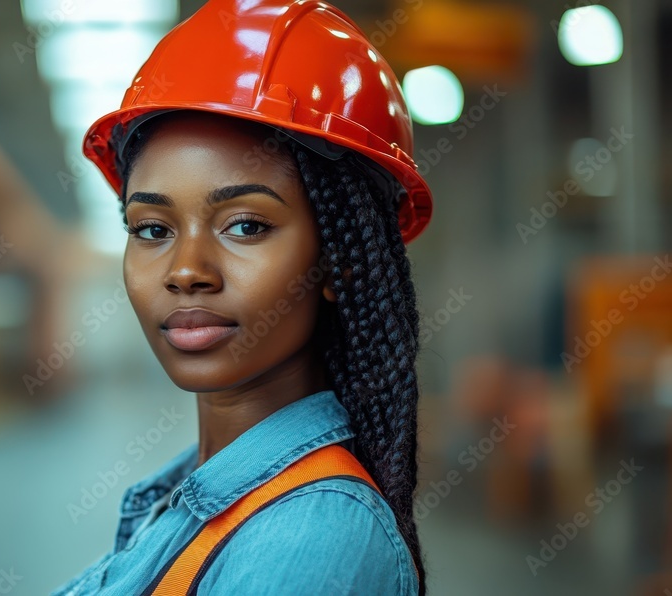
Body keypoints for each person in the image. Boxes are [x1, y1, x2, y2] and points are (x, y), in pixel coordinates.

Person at [52, 0, 433, 593]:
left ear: (340, 261)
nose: (186, 271)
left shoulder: (313, 538)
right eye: (152, 229)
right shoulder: (197, 496)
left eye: (246, 225)